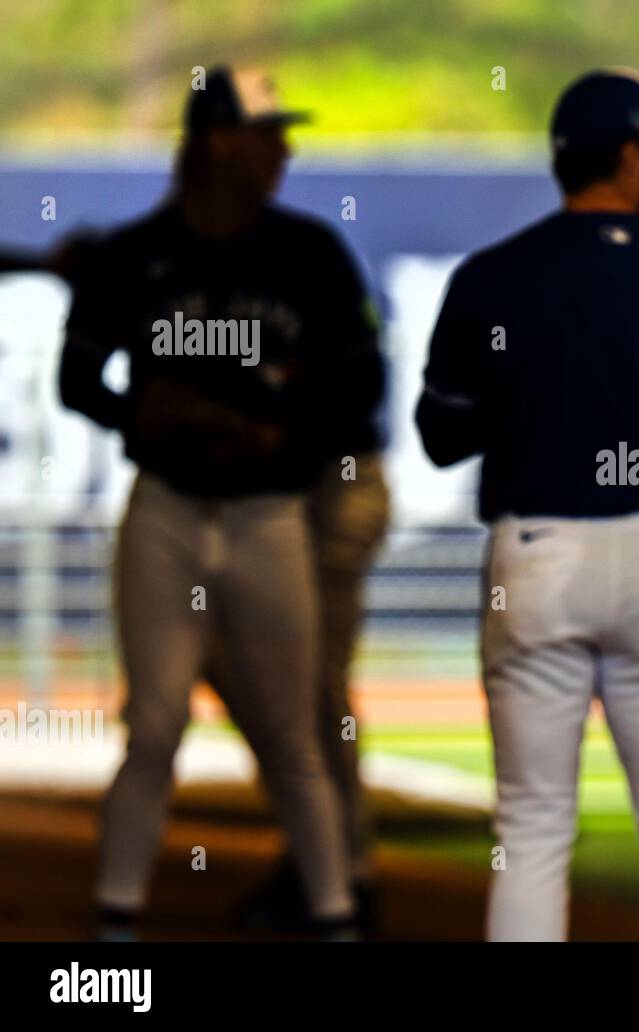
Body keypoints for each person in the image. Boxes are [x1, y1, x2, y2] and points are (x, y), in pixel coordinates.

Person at [416, 68, 639, 942]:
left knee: (530, 834)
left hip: (537, 550)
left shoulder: (494, 276)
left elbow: (442, 433)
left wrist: (535, 404)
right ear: (637, 156)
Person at [59, 66, 383, 940]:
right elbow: (76, 377)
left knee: (293, 731)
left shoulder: (308, 253)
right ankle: (114, 926)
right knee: (155, 724)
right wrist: (145, 411)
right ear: (215, 141)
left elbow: (363, 383)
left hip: (271, 510)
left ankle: (337, 915)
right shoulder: (138, 255)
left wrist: (280, 434)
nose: (285, 149)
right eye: (267, 133)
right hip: (166, 506)